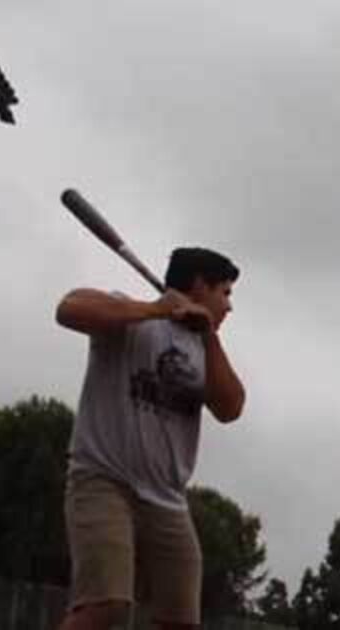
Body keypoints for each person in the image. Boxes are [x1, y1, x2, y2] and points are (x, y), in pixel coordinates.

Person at [55, 247, 247, 629]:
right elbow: (69, 308)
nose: (229, 305)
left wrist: (209, 336)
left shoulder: (204, 347)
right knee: (106, 605)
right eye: (224, 293)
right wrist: (156, 309)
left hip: (167, 498)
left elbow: (231, 407)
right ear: (200, 286)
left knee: (181, 622)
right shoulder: (132, 316)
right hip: (104, 480)